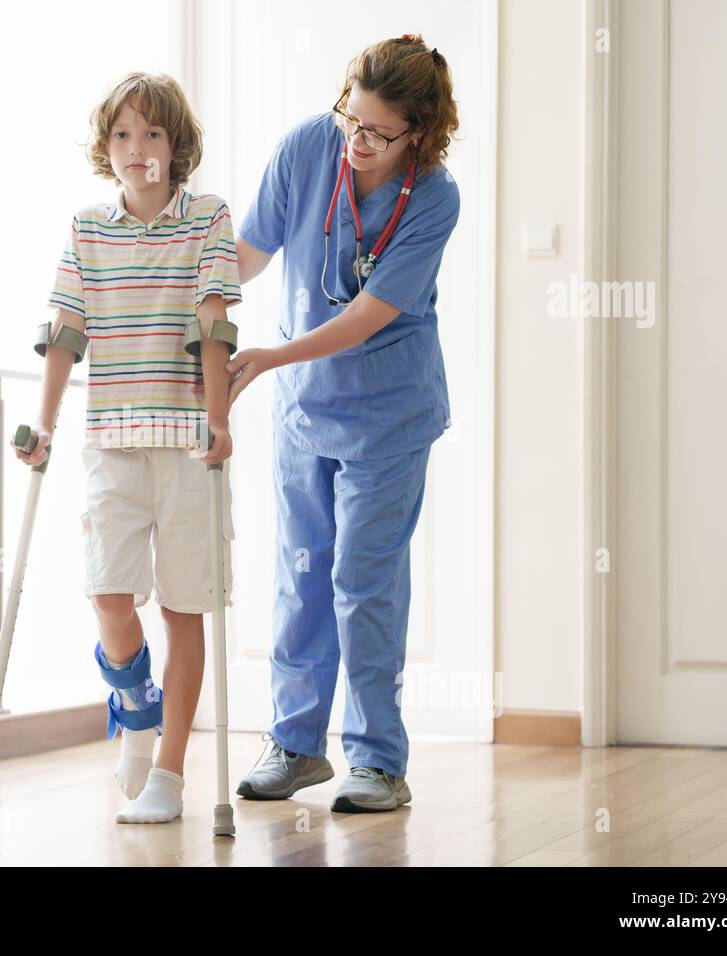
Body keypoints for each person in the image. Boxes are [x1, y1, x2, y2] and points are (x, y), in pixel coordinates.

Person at [226, 34, 462, 812]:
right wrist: (180, 282)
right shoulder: (308, 147)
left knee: (362, 584)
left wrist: (269, 356)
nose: (354, 140)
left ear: (418, 135)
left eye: (376, 131)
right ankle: (295, 746)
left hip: (390, 414)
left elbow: (367, 315)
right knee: (300, 574)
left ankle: (377, 762)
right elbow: (250, 253)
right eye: (349, 118)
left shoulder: (434, 197)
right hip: (306, 411)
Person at [17, 72, 243, 824]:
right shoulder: (87, 227)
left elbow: (214, 324)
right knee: (108, 597)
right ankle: (134, 706)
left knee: (185, 608)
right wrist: (44, 425)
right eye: (121, 135)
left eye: (151, 134)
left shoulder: (207, 217)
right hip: (109, 443)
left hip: (185, 446)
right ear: (104, 146)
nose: (136, 149)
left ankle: (168, 778)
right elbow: (64, 331)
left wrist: (218, 422)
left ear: (177, 147)